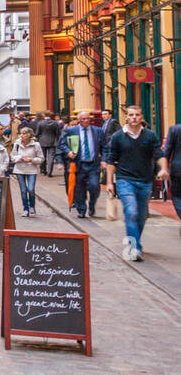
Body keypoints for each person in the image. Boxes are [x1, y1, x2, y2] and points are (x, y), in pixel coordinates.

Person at [102, 105, 163, 262]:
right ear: (126, 117)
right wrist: (109, 182)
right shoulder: (117, 137)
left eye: (137, 115)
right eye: (131, 115)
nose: (134, 117)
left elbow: (159, 154)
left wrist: (164, 168)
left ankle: (133, 240)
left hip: (145, 180)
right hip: (124, 179)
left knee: (142, 216)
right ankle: (135, 247)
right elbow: (111, 159)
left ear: (141, 117)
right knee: (131, 212)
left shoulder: (150, 136)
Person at [57, 111, 105, 219]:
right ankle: (81, 209)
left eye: (87, 118)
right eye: (83, 119)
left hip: (93, 164)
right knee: (79, 188)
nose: (86, 121)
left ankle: (92, 205)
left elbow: (104, 146)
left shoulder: (98, 131)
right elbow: (62, 144)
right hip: (78, 164)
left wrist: (104, 159)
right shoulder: (71, 131)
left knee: (94, 186)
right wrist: (68, 152)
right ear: (79, 120)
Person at [11, 127, 42, 218]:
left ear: (29, 135)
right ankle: (25, 208)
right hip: (19, 169)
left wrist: (31, 159)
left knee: (31, 189)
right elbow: (12, 157)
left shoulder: (36, 145)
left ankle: (32, 206)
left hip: (31, 169)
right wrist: (19, 158)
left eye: (24, 133)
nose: (22, 135)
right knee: (23, 190)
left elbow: (41, 158)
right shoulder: (17, 144)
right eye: (21, 133)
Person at [158, 118, 181, 234]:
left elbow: (166, 151)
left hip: (178, 170)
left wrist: (164, 168)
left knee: (177, 196)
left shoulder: (175, 129)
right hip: (178, 171)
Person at [36, 112, 63, 177]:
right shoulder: (55, 123)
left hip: (42, 141)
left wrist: (37, 138)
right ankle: (49, 172)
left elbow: (37, 133)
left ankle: (43, 170)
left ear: (44, 115)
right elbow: (58, 133)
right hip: (52, 141)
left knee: (43, 156)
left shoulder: (40, 123)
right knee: (51, 157)